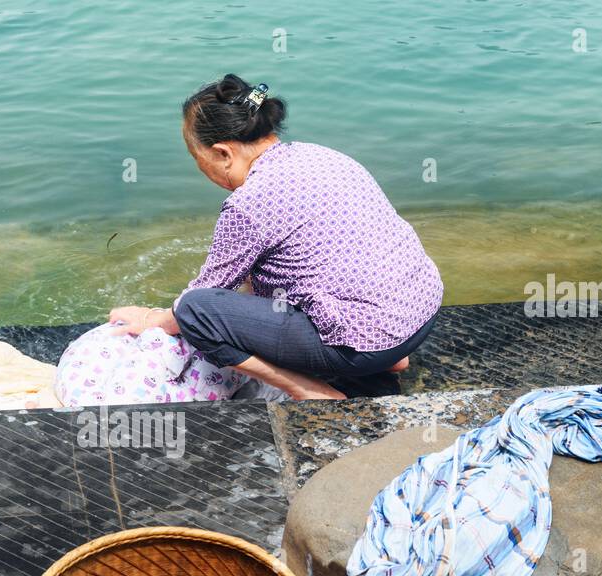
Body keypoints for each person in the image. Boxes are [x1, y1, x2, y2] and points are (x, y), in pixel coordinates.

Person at [107, 74, 443, 399]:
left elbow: (206, 295)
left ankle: (306, 388)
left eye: (199, 160)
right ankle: (390, 360)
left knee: (195, 311)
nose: (202, 170)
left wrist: (152, 319)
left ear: (223, 153)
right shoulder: (322, 155)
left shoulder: (249, 203)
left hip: (364, 344)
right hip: (420, 313)